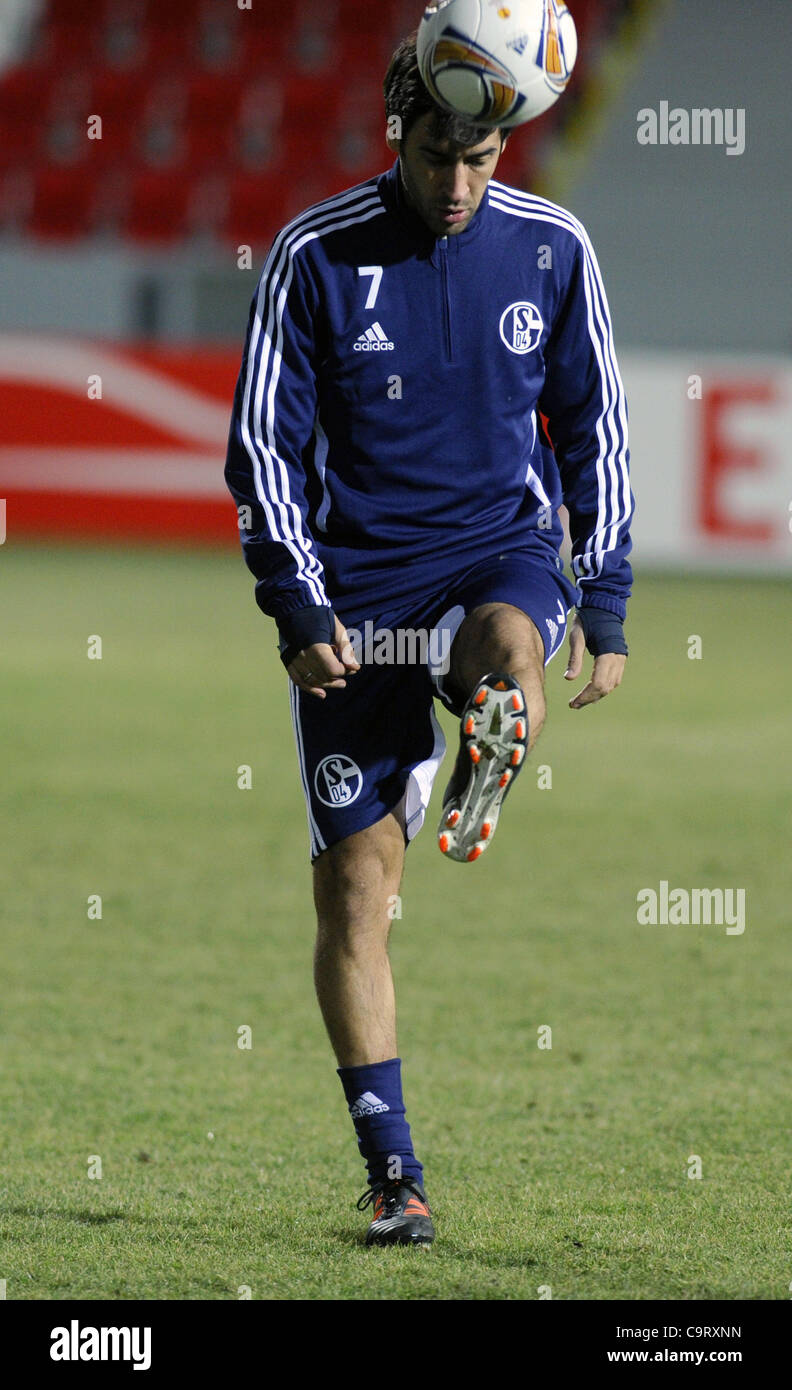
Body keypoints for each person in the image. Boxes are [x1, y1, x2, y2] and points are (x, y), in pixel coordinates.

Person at [224, 34, 633, 1247]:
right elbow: (262, 453)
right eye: (437, 152)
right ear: (396, 136)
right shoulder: (315, 255)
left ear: (504, 145)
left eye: (482, 152)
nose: (459, 180)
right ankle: (394, 1172)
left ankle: (491, 730)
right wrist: (296, 608)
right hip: (358, 596)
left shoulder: (553, 250)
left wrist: (600, 600)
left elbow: (595, 424)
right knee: (357, 891)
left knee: (509, 642)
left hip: (493, 550)